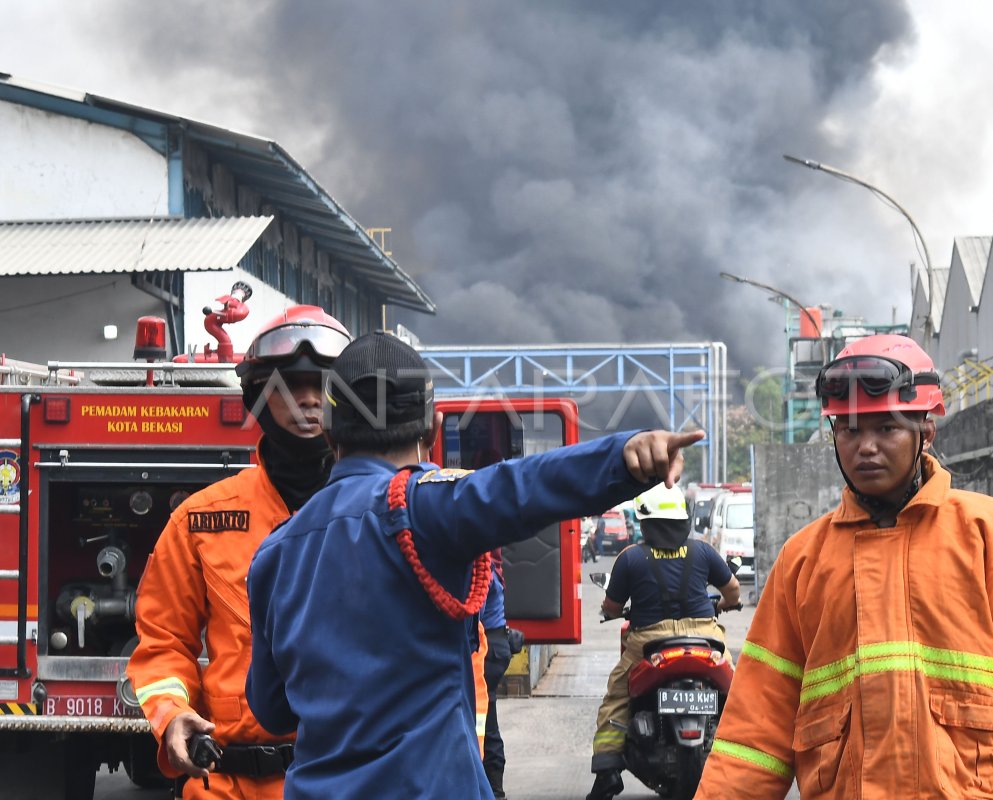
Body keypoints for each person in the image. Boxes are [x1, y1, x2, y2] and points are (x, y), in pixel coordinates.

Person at [244, 331, 705, 800]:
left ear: (328, 432)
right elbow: (519, 486)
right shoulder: (422, 511)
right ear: (433, 429)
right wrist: (623, 458)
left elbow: (272, 709)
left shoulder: (274, 553)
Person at [694, 334, 993, 800]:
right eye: (848, 430)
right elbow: (756, 728)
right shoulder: (803, 561)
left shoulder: (989, 532)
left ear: (925, 433)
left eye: (886, 428)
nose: (865, 446)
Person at [126, 306, 351, 799]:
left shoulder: (385, 513)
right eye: (291, 385)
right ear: (260, 396)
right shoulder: (200, 520)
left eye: (324, 384)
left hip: (352, 782)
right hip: (230, 785)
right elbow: (163, 642)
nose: (309, 399)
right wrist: (171, 713)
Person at [587, 482, 741, 800]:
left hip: (649, 641)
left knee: (617, 698)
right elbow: (733, 590)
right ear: (682, 520)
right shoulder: (702, 551)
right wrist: (723, 604)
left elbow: (613, 607)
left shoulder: (630, 558)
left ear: (645, 521)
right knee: (742, 696)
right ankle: (749, 763)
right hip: (704, 637)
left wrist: (610, 609)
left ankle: (607, 773)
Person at [480, 552, 515, 799]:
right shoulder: (493, 567)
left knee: (482, 718)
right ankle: (492, 786)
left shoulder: (483, 571)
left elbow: (472, 615)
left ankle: (492, 787)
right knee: (485, 715)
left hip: (488, 648)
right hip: (496, 645)